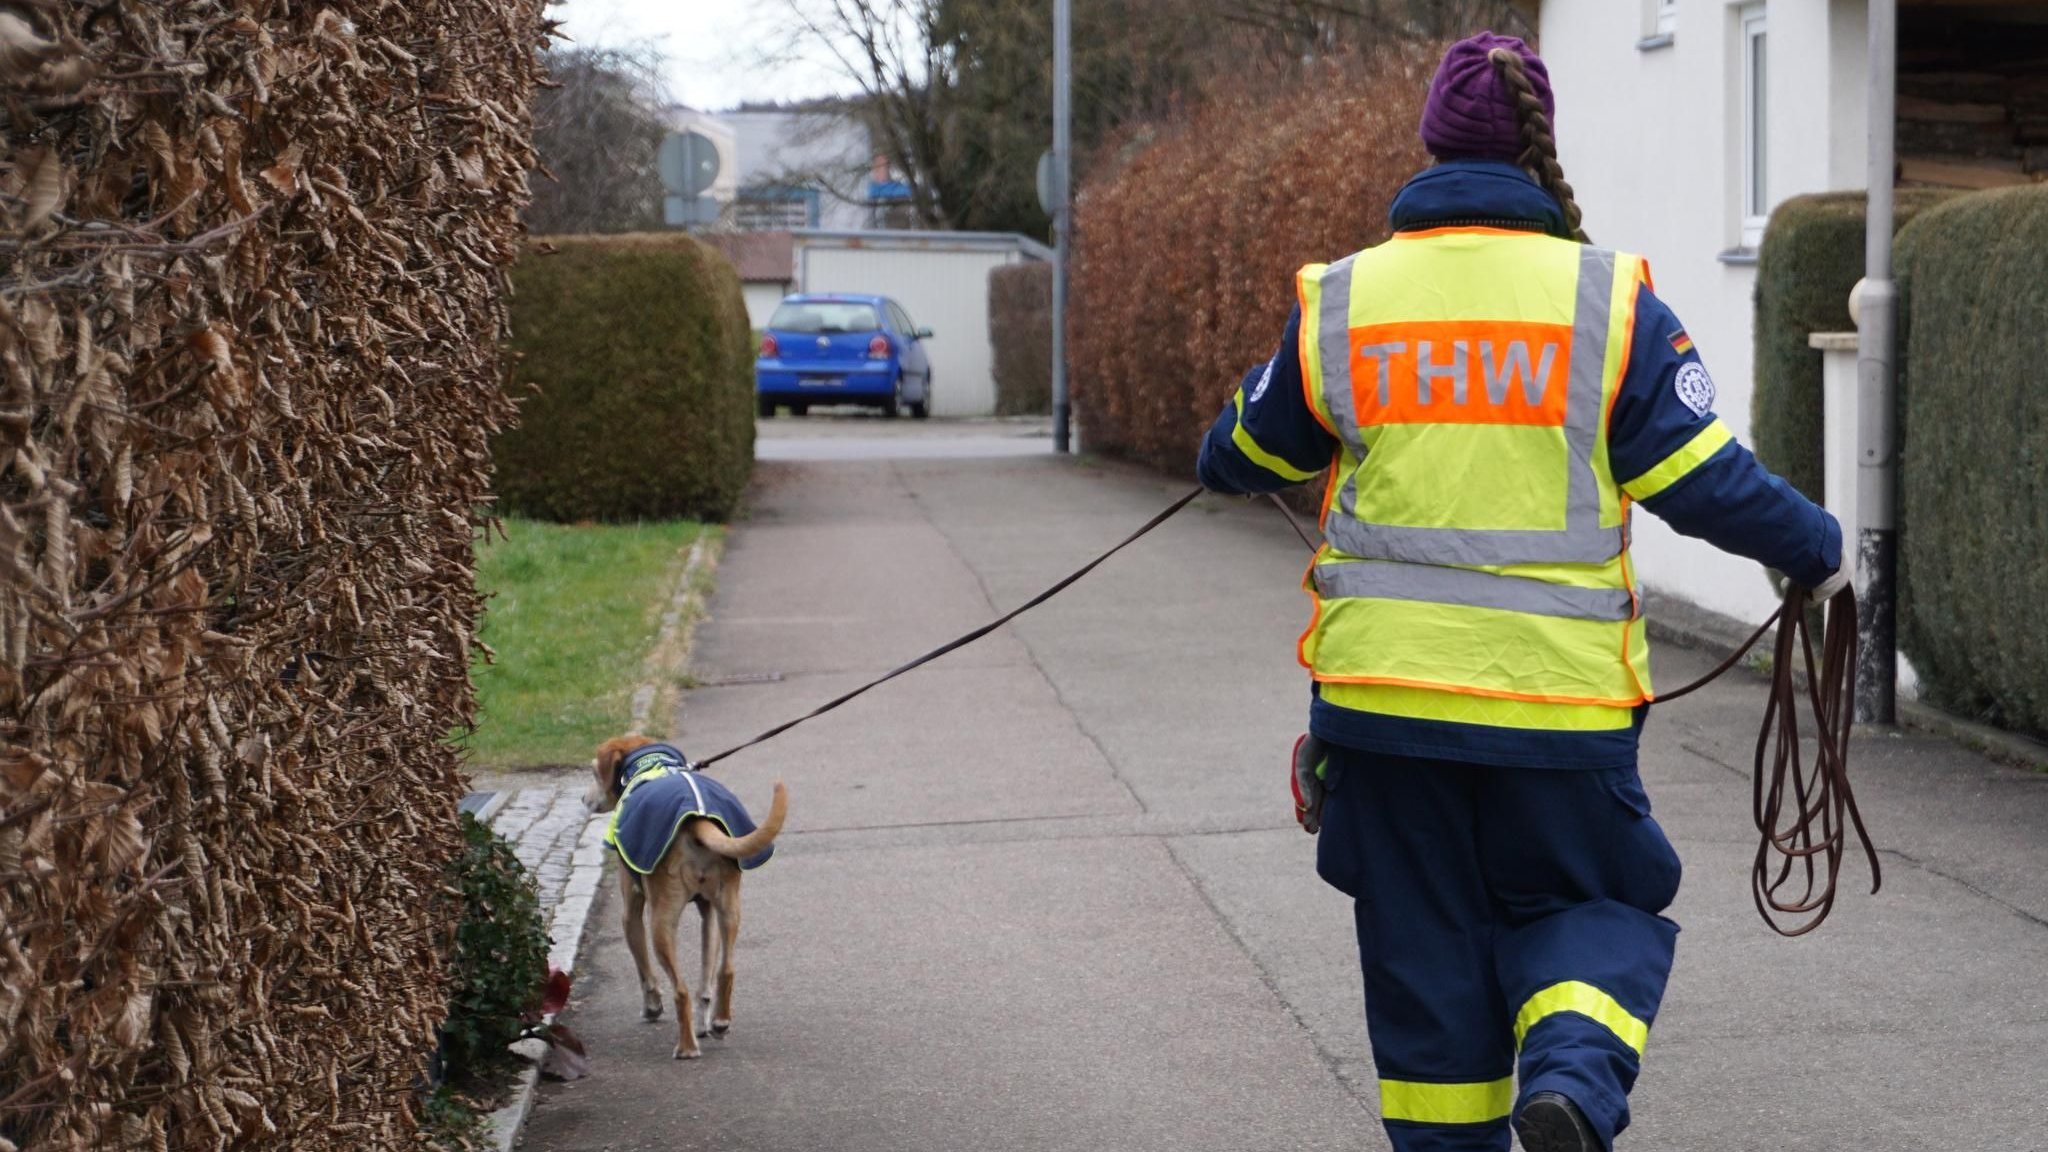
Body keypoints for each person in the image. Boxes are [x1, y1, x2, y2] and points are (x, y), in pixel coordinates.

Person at [1196, 32, 1848, 1152]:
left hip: (1381, 715)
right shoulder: (1605, 300)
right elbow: (1700, 482)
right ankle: (1569, 1079)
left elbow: (1236, 456)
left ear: (1429, 143)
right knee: (1588, 908)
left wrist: (1261, 426)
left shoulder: (1345, 299)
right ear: (1542, 149)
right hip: (1552, 716)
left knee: (1422, 965)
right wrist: (1816, 545)